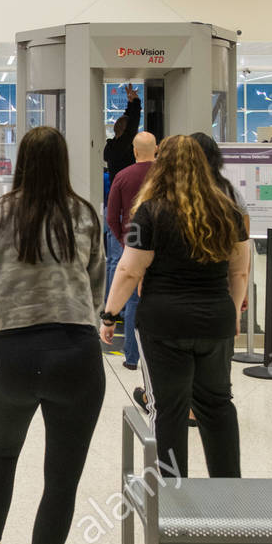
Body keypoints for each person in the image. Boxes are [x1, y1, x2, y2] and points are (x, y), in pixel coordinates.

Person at [0, 126, 105, 544]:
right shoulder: (84, 214)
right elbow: (94, 282)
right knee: (60, 479)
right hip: (75, 355)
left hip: (13, 355)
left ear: (20, 162)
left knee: (1, 454)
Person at [101, 135, 251, 479]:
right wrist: (229, 313)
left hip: (164, 323)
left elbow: (128, 270)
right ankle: (228, 492)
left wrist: (110, 315)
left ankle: (171, 502)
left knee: (169, 410)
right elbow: (239, 269)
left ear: (160, 165)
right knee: (217, 405)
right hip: (215, 320)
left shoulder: (150, 212)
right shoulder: (227, 210)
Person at [103, 131, 157, 371]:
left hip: (132, 246)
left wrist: (125, 242)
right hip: (162, 249)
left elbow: (112, 216)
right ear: (156, 149)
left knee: (133, 299)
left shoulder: (123, 177)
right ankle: (156, 358)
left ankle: (132, 358)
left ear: (134, 151)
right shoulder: (167, 177)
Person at [102, 85, 142, 292]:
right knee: (121, 258)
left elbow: (128, 126)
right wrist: (135, 103)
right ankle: (120, 305)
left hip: (111, 205)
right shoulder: (126, 148)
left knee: (112, 259)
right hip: (125, 208)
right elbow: (132, 126)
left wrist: (130, 106)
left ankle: (110, 298)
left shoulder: (110, 148)